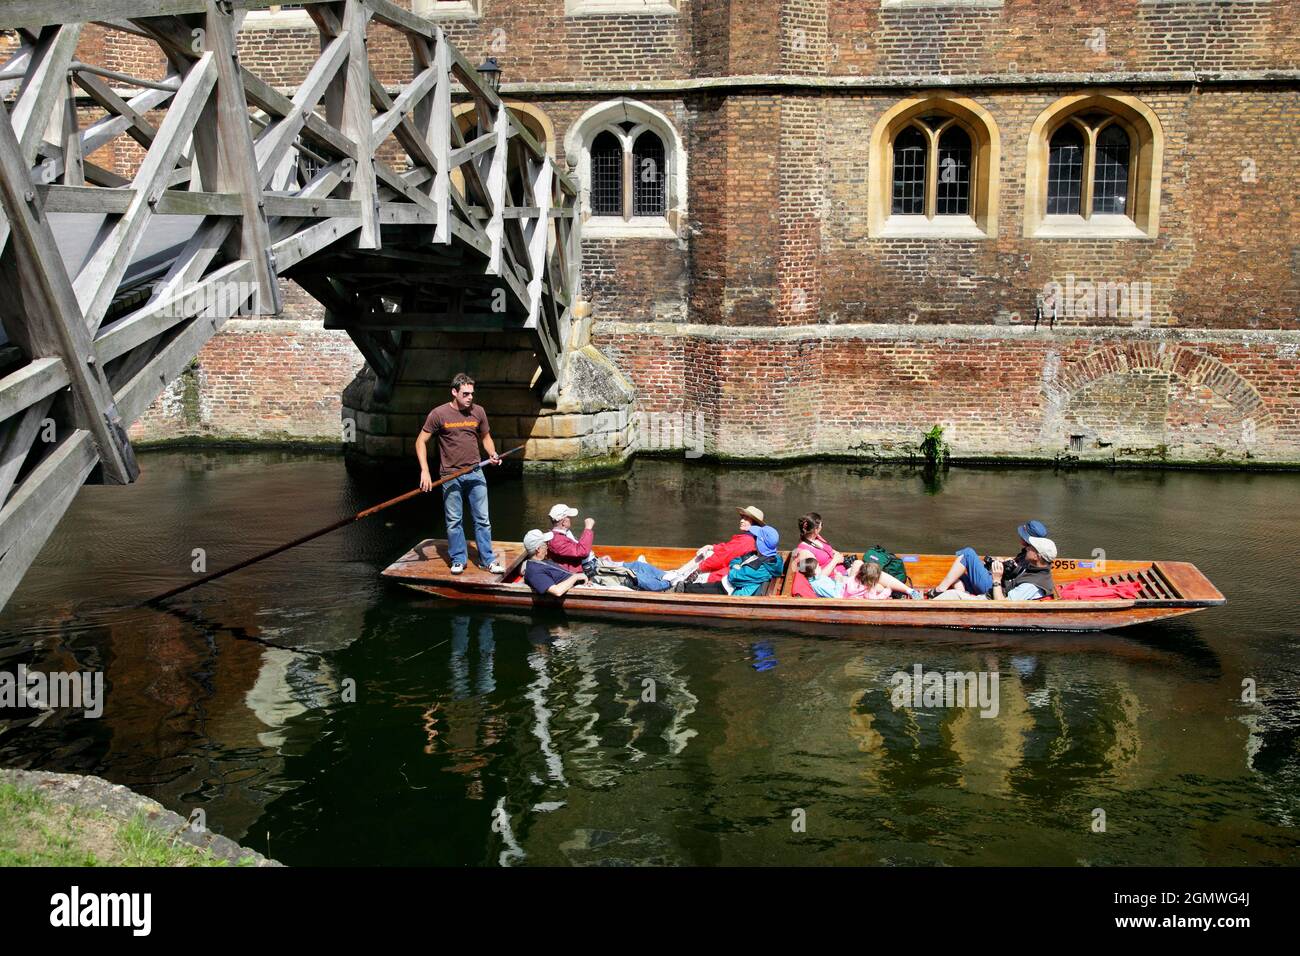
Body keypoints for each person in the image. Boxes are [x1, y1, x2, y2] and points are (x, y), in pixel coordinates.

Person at [417, 372, 505, 575]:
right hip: (450, 475)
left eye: (472, 393)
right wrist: (425, 471)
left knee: (482, 519)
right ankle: (458, 559)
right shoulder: (438, 414)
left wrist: (492, 453)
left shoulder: (478, 412)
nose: (470, 398)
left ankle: (487, 560)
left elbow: (486, 437)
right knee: (454, 520)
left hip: (476, 471)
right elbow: (420, 441)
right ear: (454, 392)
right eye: (465, 394)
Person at [928, 520, 1058, 600]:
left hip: (995, 587)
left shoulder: (1033, 573)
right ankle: (963, 594)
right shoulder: (1030, 558)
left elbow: (1006, 597)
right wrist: (1005, 563)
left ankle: (939, 590)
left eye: (1031, 546)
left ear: (1036, 554)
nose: (1020, 536)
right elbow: (1019, 573)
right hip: (998, 583)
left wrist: (997, 577)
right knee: (959, 576)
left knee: (968, 554)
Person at [665, 505, 764, 585]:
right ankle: (678, 573)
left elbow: (721, 558)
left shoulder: (745, 541)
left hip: (721, 576)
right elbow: (727, 548)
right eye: (742, 517)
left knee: (707, 554)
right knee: (709, 550)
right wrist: (712, 547)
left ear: (754, 523)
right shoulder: (751, 538)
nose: (741, 520)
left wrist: (699, 568)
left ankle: (677, 577)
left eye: (746, 519)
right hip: (728, 572)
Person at [677, 524, 784, 596]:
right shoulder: (771, 558)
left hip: (727, 590)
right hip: (726, 584)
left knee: (688, 588)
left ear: (760, 543)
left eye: (756, 537)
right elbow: (737, 559)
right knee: (694, 586)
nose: (754, 539)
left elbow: (733, 576)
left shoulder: (757, 568)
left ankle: (679, 590)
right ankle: (681, 586)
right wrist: (737, 565)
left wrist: (736, 566)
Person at [520, 529, 587, 597]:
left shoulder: (542, 561)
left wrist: (579, 578)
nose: (547, 546)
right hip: (576, 590)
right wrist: (576, 577)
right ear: (538, 549)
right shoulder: (534, 571)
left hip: (579, 583)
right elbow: (557, 591)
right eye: (546, 543)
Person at [544, 504, 594, 572]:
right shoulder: (557, 540)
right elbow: (583, 551)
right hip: (574, 576)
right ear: (564, 522)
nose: (571, 519)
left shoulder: (564, 534)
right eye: (569, 517)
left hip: (585, 566)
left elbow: (578, 549)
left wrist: (599, 559)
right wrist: (588, 528)